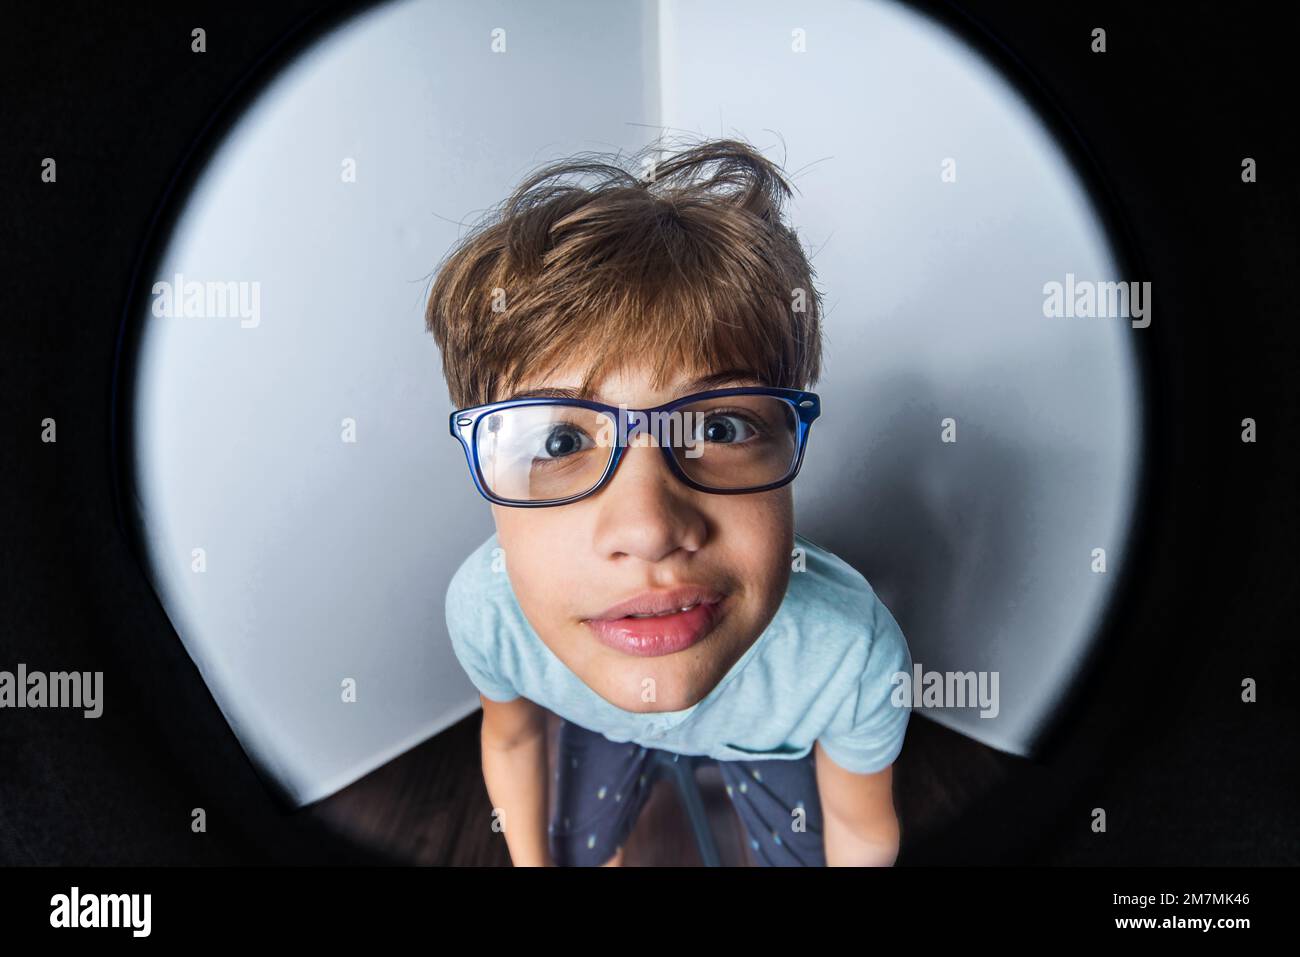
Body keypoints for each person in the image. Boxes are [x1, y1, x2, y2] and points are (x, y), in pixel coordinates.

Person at [427, 136, 912, 866]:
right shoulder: (485, 612)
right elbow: (513, 736)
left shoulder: (849, 654)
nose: (649, 529)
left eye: (718, 425)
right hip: (598, 723)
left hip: (770, 734)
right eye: (560, 442)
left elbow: (863, 827)